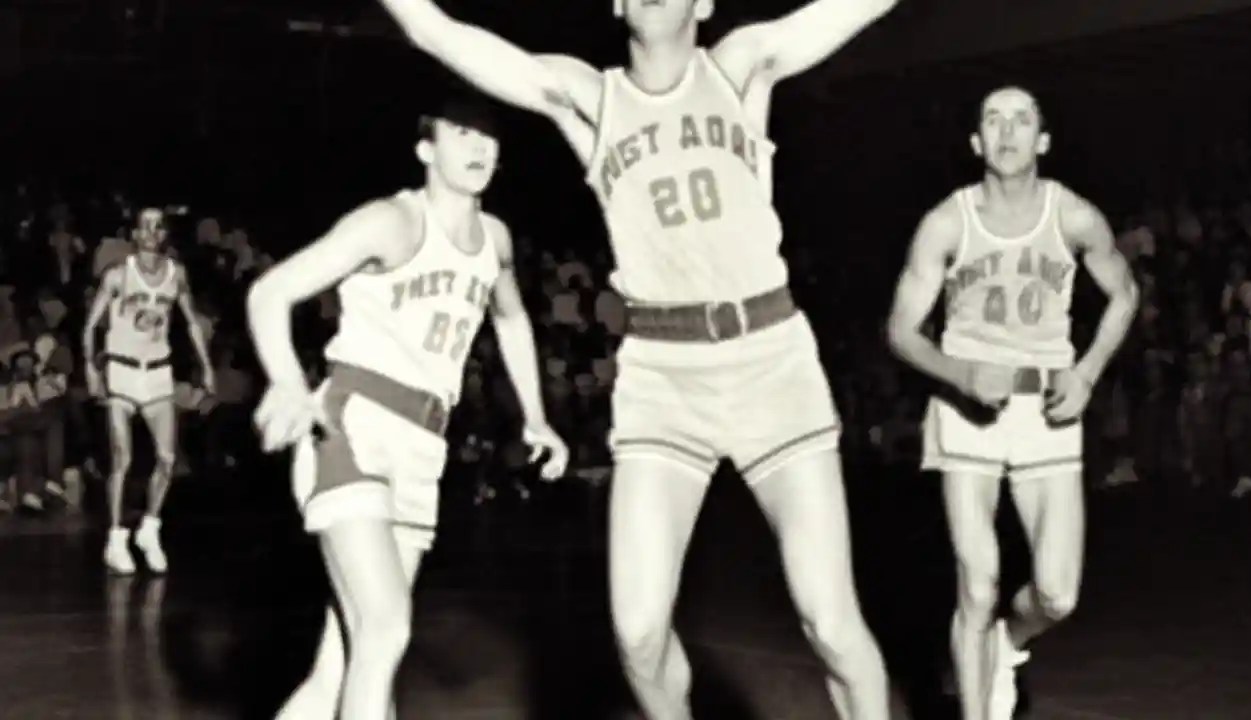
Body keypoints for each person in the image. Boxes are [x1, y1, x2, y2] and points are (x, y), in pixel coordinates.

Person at [373, 0, 899, 717]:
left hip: (770, 362)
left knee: (832, 625)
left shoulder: (740, 64)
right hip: (662, 375)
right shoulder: (589, 95)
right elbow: (438, 32)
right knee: (639, 633)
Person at [247, 100, 570, 720]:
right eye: (462, 132)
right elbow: (270, 291)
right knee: (386, 631)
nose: (480, 147)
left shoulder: (494, 239)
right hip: (352, 427)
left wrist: (536, 416)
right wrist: (288, 381)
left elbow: (511, 317)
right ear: (426, 149)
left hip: (424, 448)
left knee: (342, 665)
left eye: (490, 136)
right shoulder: (390, 222)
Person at [885, 86, 1138, 720]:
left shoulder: (1073, 215)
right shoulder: (947, 221)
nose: (1007, 131)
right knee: (977, 582)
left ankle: (1009, 639)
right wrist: (961, 374)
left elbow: (1126, 292)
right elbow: (899, 329)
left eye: (1021, 119)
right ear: (976, 143)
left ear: (1043, 141)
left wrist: (1086, 373)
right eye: (992, 120)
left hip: (1047, 412)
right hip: (967, 412)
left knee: (1057, 595)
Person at [83, 207, 215, 575]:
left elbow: (190, 324)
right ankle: (115, 537)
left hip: (158, 372)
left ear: (164, 235)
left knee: (168, 458)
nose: (151, 231)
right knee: (122, 458)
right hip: (122, 371)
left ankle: (150, 529)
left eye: (158, 226)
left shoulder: (177, 275)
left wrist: (205, 366)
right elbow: (90, 327)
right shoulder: (117, 276)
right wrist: (92, 369)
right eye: (145, 225)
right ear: (134, 234)